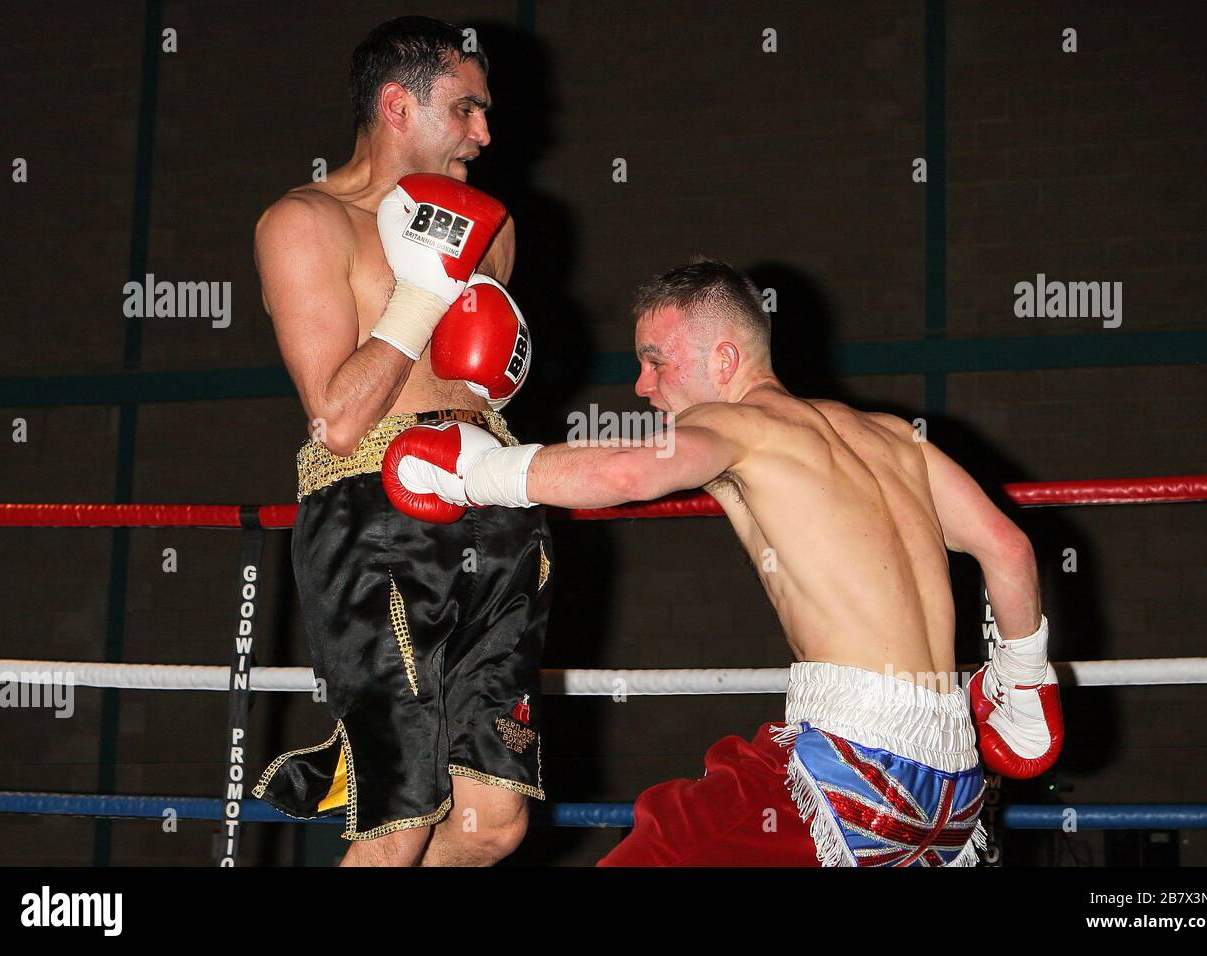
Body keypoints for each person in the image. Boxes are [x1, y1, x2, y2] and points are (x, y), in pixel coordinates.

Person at [386, 258, 1063, 866]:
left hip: (852, 773)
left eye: (656, 359)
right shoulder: (893, 439)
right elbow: (1008, 549)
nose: (642, 384)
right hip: (954, 798)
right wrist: (1023, 678)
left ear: (725, 359)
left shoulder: (742, 427)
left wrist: (474, 471)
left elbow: (625, 472)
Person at [251, 16, 551, 868]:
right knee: (402, 817)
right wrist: (422, 294)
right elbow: (338, 416)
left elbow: (476, 383)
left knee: (493, 824)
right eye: (466, 110)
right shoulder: (306, 221)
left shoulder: (493, 229)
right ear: (396, 105)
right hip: (374, 510)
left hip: (492, 502)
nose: (485, 134)